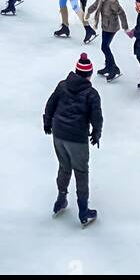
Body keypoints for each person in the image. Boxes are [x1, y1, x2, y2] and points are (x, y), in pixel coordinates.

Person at [43, 52, 102, 226]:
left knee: (64, 167)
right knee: (81, 172)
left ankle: (61, 199)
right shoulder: (91, 94)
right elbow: (96, 117)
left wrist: (47, 122)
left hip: (59, 134)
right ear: (89, 75)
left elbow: (50, 104)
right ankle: (83, 211)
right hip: (77, 138)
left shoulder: (62, 85)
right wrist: (96, 133)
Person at [84, 0, 128, 81]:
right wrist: (88, 12)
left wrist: (125, 27)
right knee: (105, 46)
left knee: (105, 47)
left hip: (112, 27)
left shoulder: (112, 1)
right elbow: (95, 5)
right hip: (105, 26)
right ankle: (108, 67)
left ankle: (114, 69)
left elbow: (121, 13)